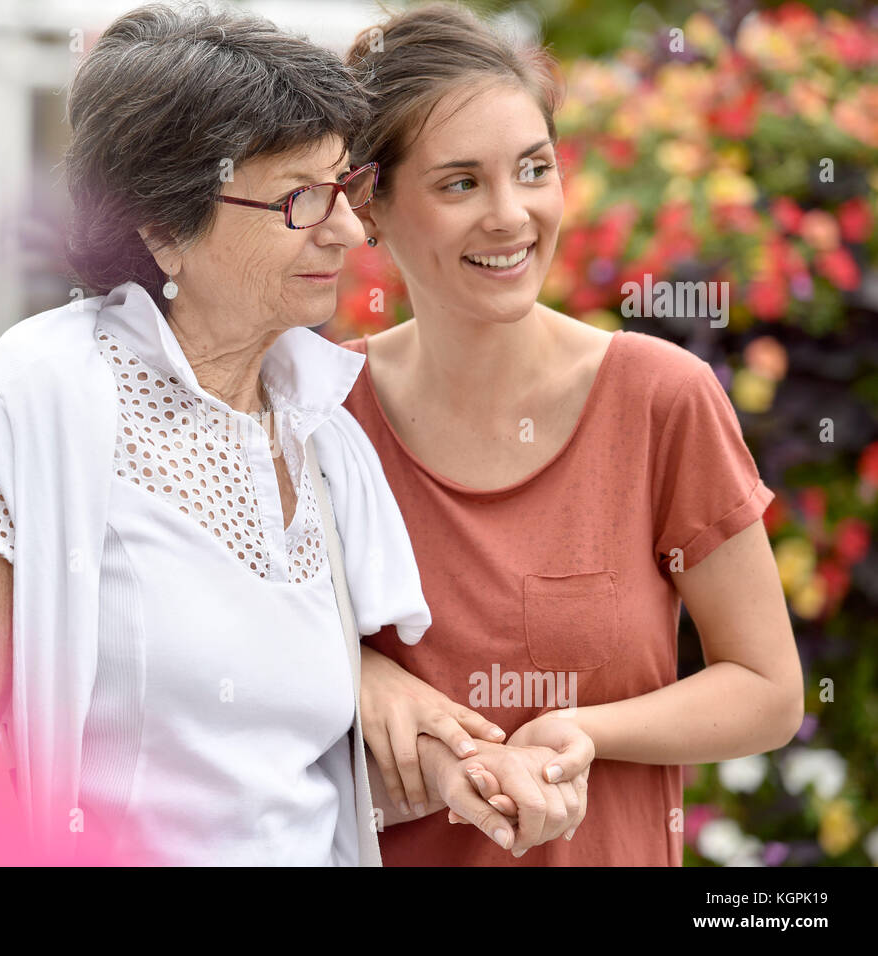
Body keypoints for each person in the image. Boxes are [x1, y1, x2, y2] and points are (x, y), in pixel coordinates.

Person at [0, 1, 461, 866]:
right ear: (163, 230)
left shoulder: (322, 427)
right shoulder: (32, 401)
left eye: (347, 188)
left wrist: (484, 766)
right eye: (302, 199)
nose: (347, 229)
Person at [343, 1, 803, 865]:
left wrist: (581, 730)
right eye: (460, 183)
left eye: (533, 168)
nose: (512, 215)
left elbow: (770, 692)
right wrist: (357, 675)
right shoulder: (322, 412)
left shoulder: (661, 399)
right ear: (371, 204)